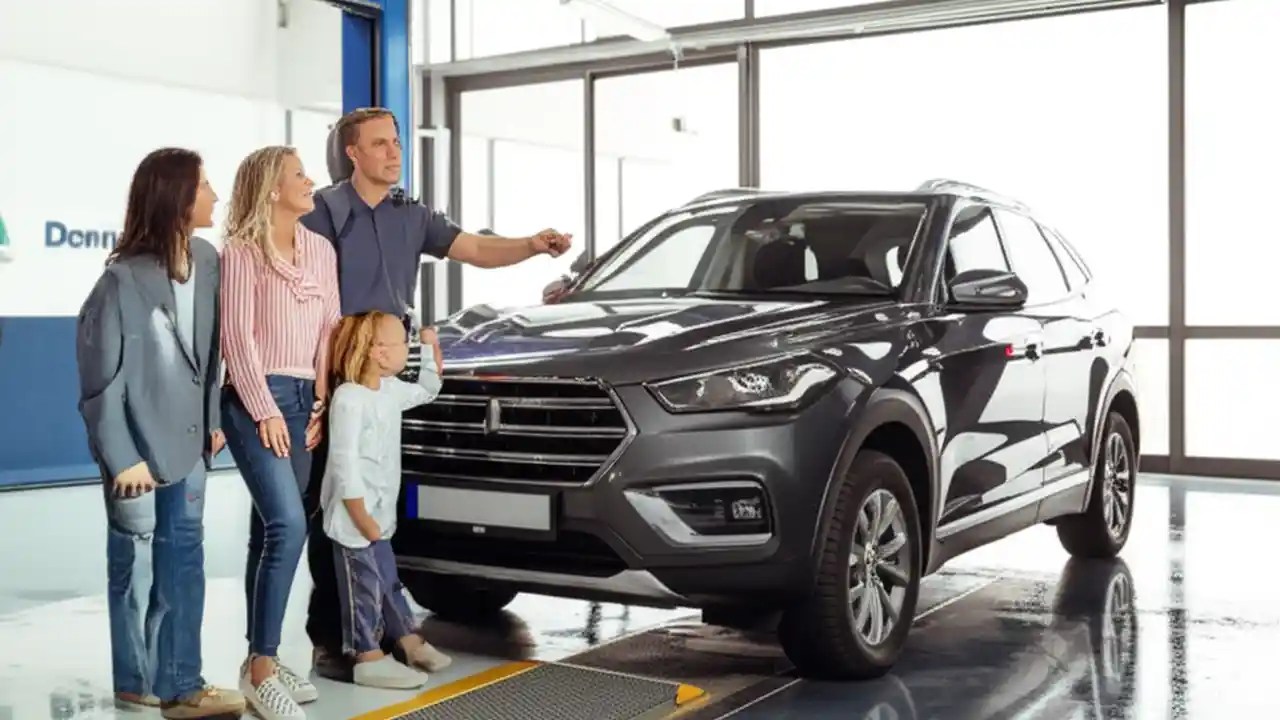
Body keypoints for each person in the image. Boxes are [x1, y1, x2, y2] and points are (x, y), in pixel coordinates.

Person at [299, 106, 573, 680]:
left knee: (380, 504)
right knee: (337, 510)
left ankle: (388, 631)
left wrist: (532, 244)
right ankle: (334, 639)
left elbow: (475, 248)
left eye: (396, 142)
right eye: (380, 143)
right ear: (353, 153)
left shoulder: (413, 214)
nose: (394, 152)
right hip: (340, 371)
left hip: (389, 370)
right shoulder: (324, 211)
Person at [75, 148, 246, 719]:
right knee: (138, 564)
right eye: (204, 184)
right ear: (176, 196)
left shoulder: (208, 259)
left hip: (192, 446)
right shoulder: (119, 281)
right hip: (136, 454)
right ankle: (136, 680)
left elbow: (212, 353)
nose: (215, 194)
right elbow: (100, 385)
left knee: (185, 564)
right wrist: (122, 457)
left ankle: (181, 682)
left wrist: (214, 420)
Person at [219, 146, 338, 719]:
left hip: (304, 397)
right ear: (271, 188)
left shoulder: (320, 249)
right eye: (299, 175)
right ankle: (263, 668)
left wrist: (322, 400)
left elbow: (331, 327)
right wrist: (264, 409)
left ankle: (256, 657)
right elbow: (237, 338)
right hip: (253, 398)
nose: (310, 181)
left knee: (267, 531)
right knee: (288, 525)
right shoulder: (241, 253)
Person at [320, 311, 453, 688]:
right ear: (378, 352)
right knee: (362, 587)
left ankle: (407, 639)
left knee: (387, 580)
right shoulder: (349, 399)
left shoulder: (390, 390)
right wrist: (360, 516)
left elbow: (428, 389)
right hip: (354, 520)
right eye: (403, 344)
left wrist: (429, 349)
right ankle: (366, 654)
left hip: (379, 516)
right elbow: (344, 463)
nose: (406, 349)